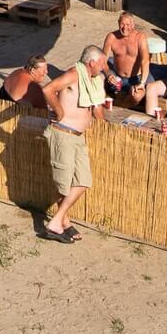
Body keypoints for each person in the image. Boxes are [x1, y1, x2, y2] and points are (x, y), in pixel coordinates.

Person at [39, 47, 108, 242]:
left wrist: (104, 124)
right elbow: (48, 89)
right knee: (63, 184)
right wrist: (59, 112)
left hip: (77, 137)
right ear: (91, 62)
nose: (104, 68)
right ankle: (60, 223)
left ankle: (59, 220)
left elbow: (96, 107)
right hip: (64, 134)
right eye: (102, 63)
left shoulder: (92, 80)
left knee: (83, 181)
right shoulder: (73, 74)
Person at [102, 13, 165, 117]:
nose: (125, 27)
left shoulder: (140, 37)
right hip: (119, 76)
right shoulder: (111, 37)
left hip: (137, 76)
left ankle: (118, 110)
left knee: (137, 95)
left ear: (133, 25)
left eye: (128, 24)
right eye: (122, 24)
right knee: (101, 81)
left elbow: (145, 61)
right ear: (118, 24)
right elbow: (103, 60)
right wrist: (108, 74)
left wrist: (142, 82)